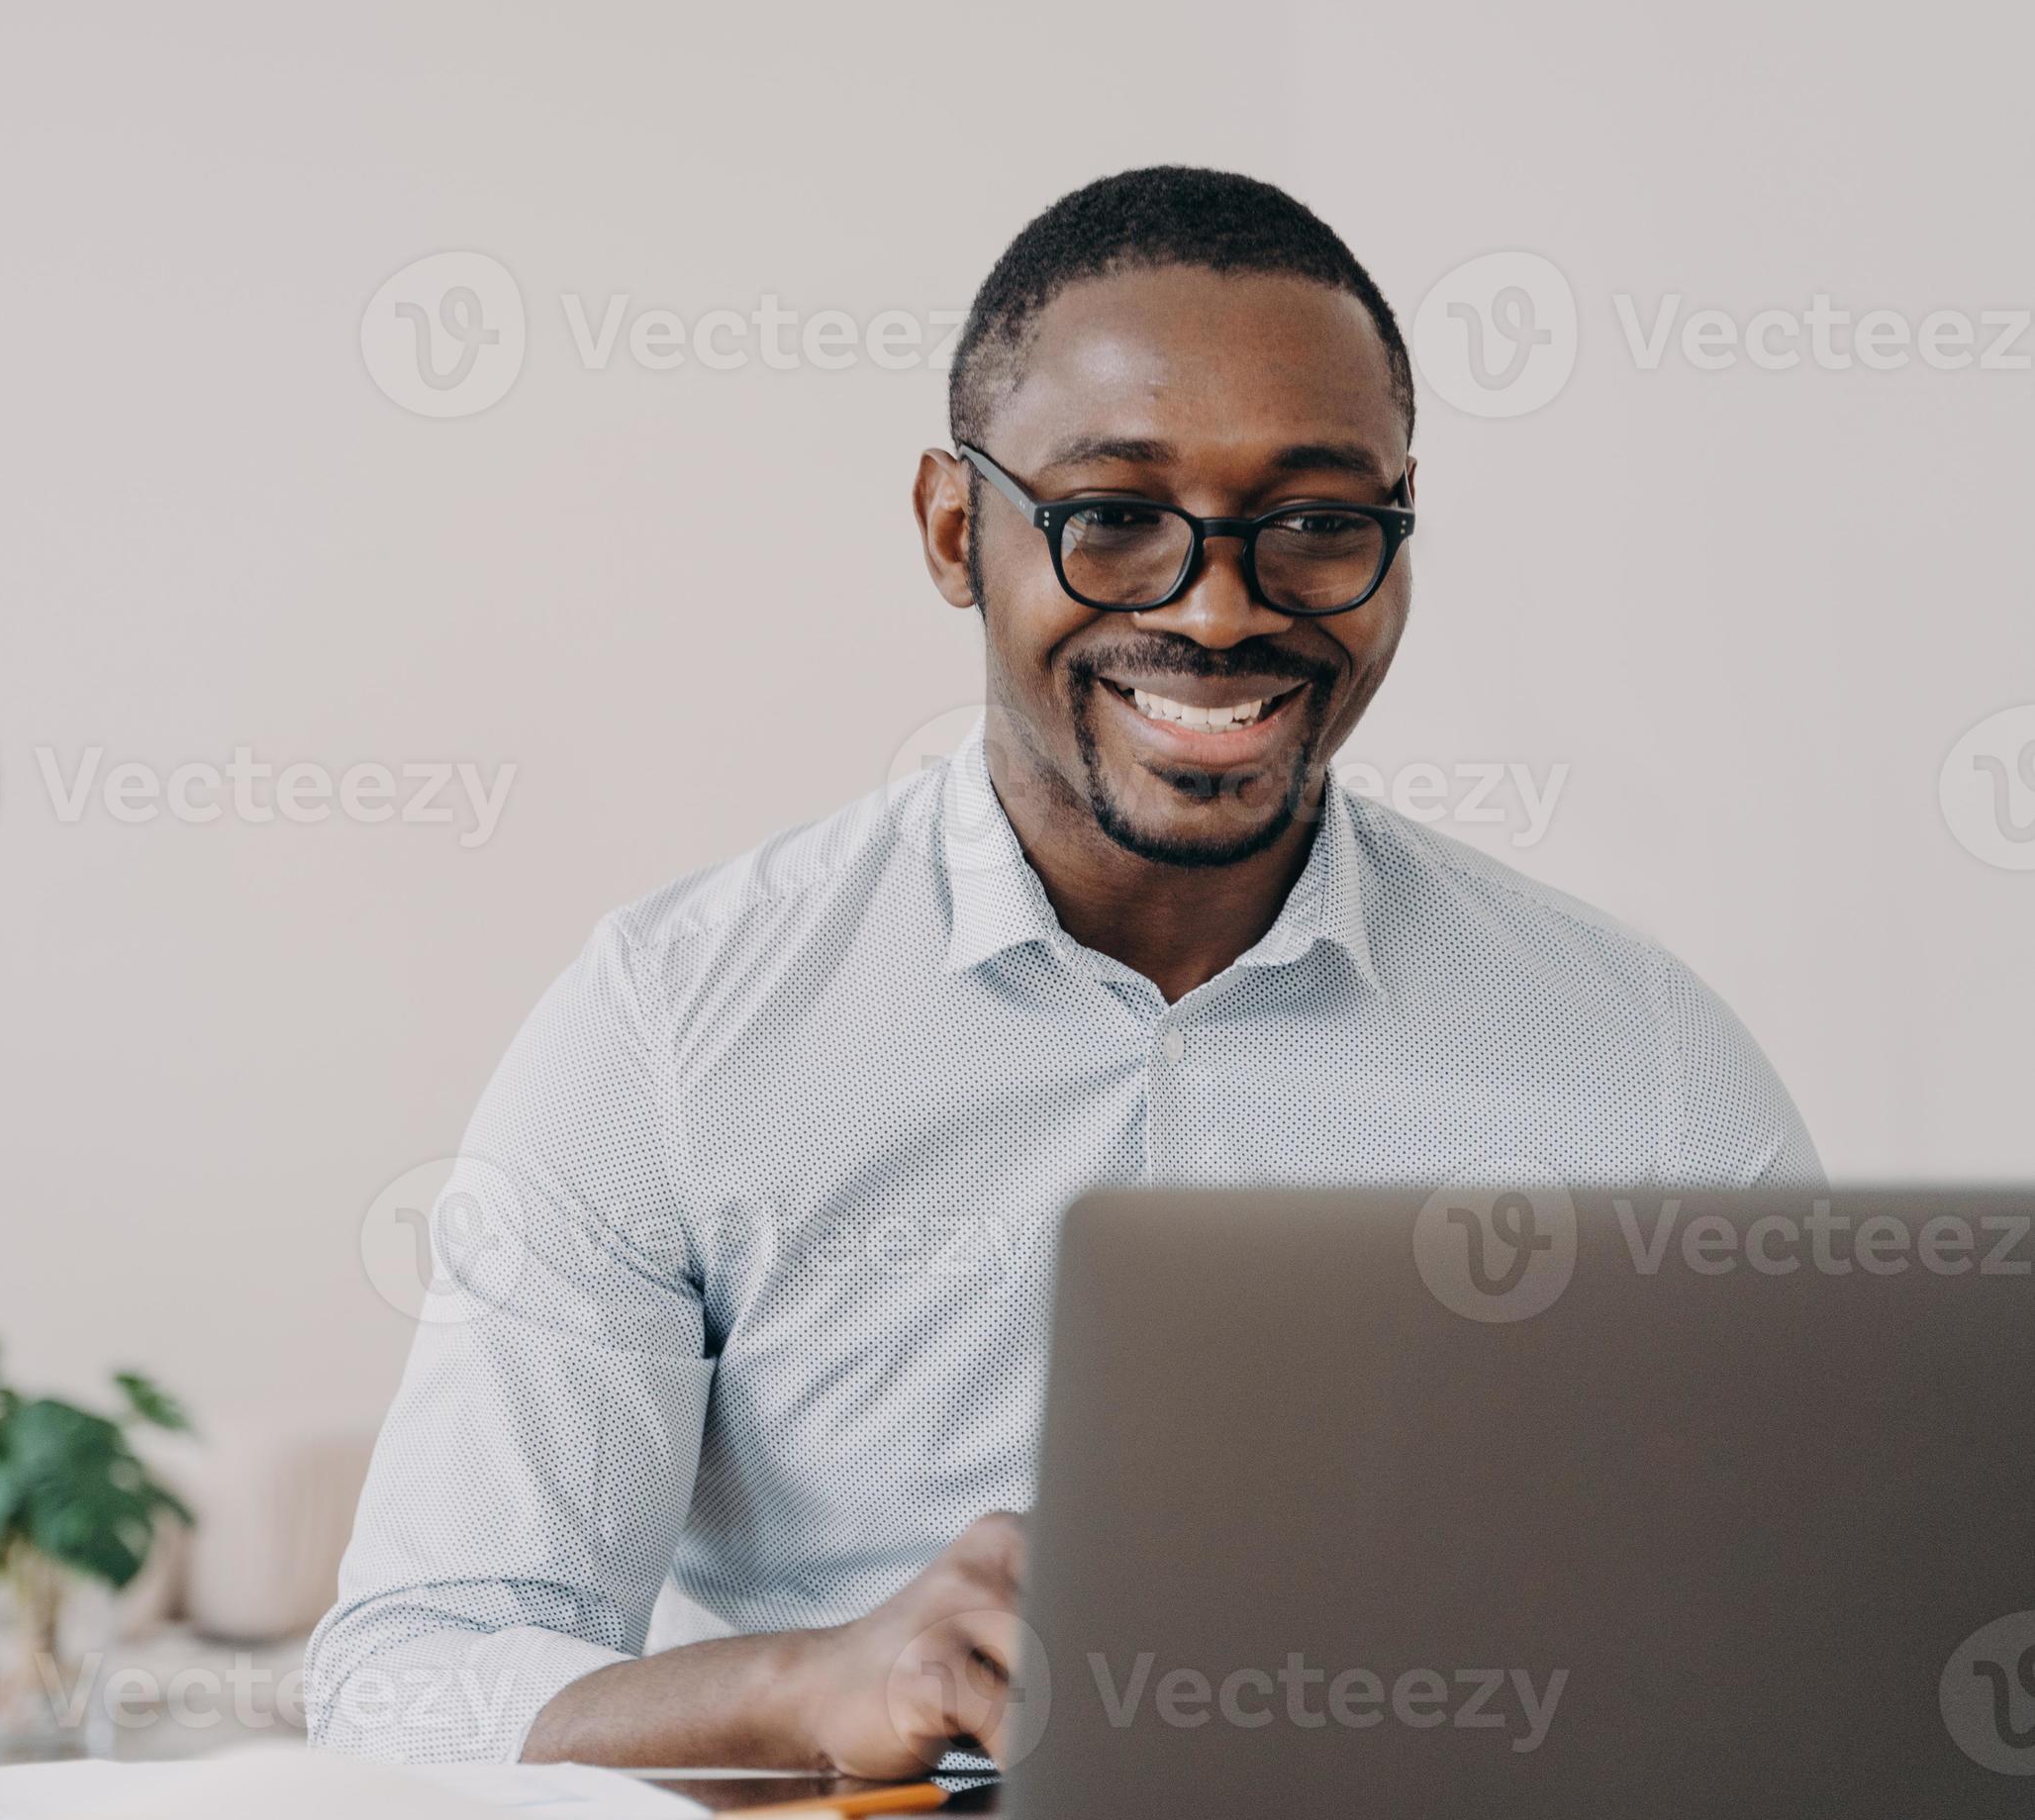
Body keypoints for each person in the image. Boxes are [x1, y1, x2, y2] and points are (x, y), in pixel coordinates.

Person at [305, 166, 1818, 1775]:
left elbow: (1829, 1629)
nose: (1220, 608)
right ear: (959, 531)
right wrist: (813, 1683)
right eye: (1113, 520)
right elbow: (406, 1675)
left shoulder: (1642, 1058)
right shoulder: (673, 1024)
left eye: (1315, 525)